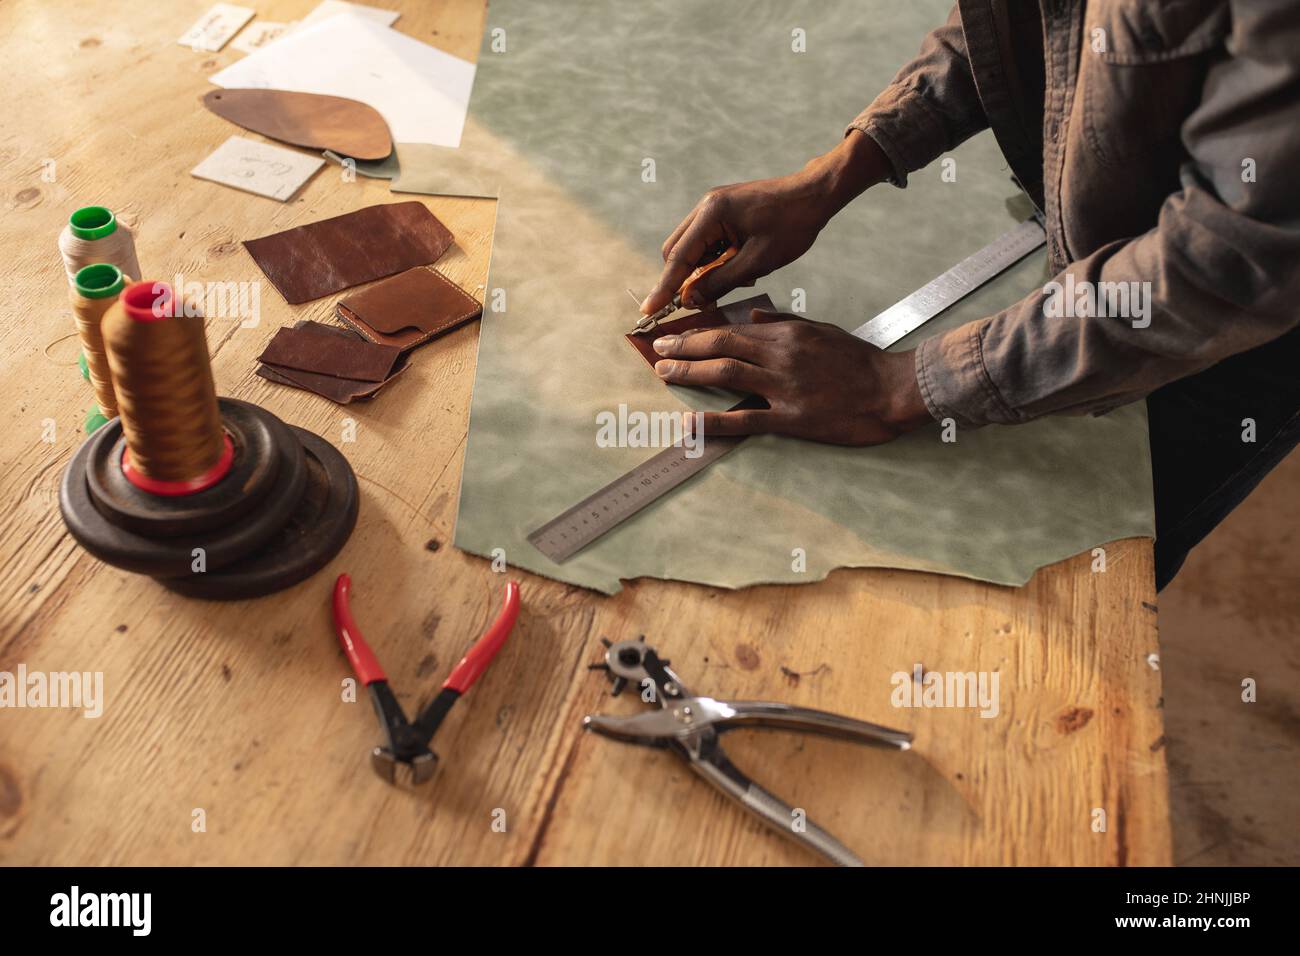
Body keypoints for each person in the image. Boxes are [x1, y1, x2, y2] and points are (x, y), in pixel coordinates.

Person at [638, 1, 1300, 590]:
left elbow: (1231, 261)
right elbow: (1023, 23)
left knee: (1072, 591)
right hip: (1117, 248)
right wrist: (836, 173)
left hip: (1241, 332)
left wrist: (897, 384)